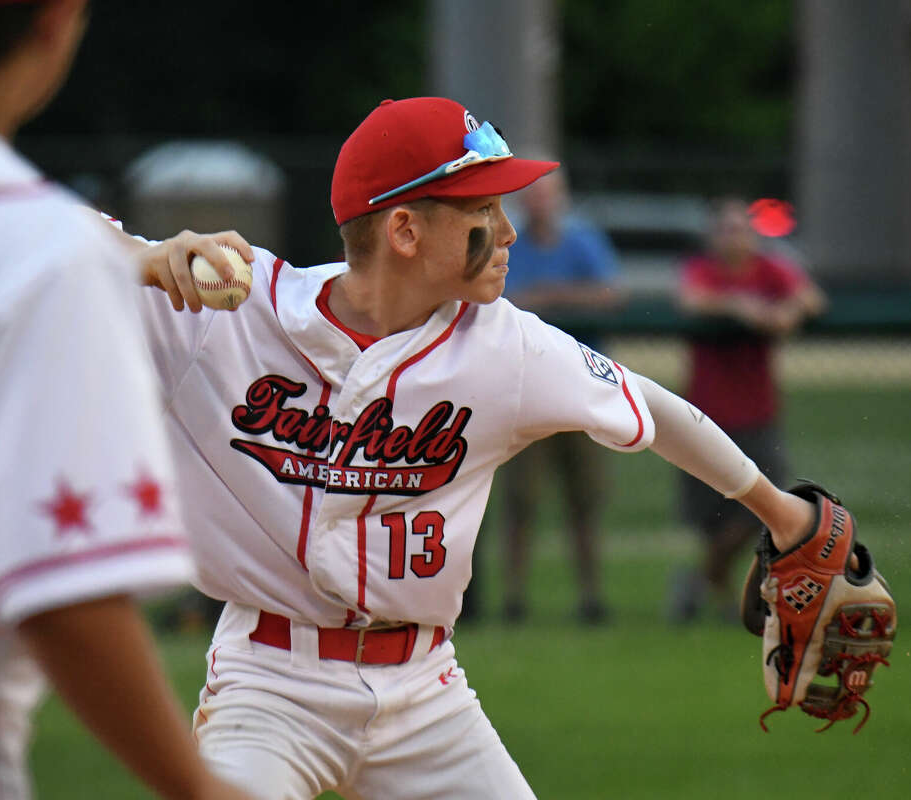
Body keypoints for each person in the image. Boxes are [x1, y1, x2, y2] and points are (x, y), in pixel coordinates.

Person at [122, 97, 826, 799]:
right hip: (270, 685)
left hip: (425, 692)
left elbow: (656, 410)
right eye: (482, 212)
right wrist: (143, 257)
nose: (509, 231)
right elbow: (44, 236)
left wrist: (784, 517)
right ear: (404, 230)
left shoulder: (504, 345)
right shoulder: (228, 314)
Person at [0, 2, 251, 798]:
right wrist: (201, 789)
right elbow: (69, 600)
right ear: (57, 21)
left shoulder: (37, 244)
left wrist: (143, 255)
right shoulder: (37, 254)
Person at [670, 197, 826, 622]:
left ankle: (699, 584)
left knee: (764, 505)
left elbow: (811, 298)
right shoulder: (702, 270)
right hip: (705, 414)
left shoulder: (770, 269)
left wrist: (786, 312)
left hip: (757, 413)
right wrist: (740, 306)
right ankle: (722, 597)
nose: (734, 237)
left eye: (742, 229)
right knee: (713, 518)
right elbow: (689, 299)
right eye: (726, 229)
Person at [494, 168, 623, 623]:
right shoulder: (509, 241)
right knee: (521, 500)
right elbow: (496, 304)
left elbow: (611, 294)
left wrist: (550, 296)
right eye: (531, 196)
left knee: (585, 499)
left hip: (584, 390)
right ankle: (514, 598)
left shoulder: (584, 242)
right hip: (524, 391)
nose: (539, 204)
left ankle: (591, 596)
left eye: (547, 195)